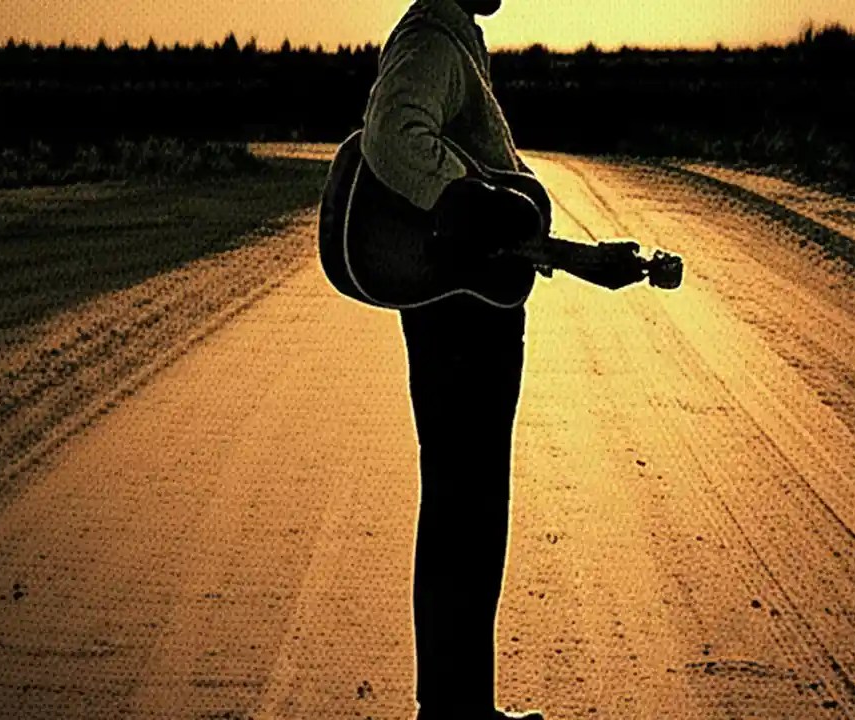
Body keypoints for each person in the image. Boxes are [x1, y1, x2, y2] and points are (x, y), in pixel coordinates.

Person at [359, 1, 545, 719]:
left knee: (463, 513)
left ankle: (458, 708)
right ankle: (453, 714)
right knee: (465, 513)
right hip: (459, 318)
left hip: (466, 313)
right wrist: (477, 205)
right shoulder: (433, 39)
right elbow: (393, 136)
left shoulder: (450, 37)